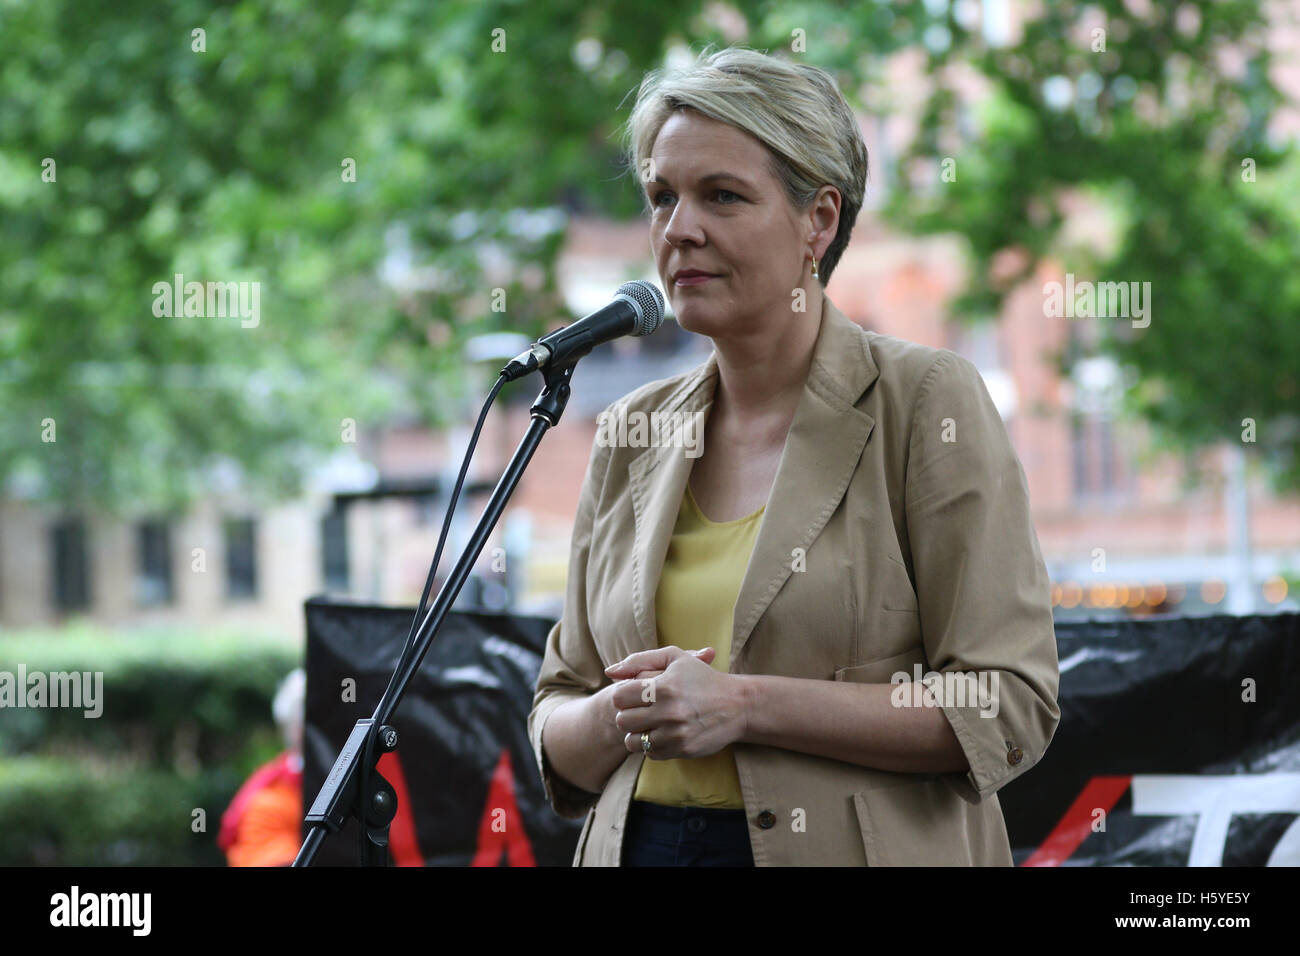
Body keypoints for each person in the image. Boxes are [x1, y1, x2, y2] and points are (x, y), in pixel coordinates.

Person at [527, 45, 1060, 866]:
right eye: (662, 196)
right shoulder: (632, 432)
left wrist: (743, 706)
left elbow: (1004, 703)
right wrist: (616, 713)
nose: (679, 229)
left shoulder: (925, 402)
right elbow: (559, 711)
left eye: (722, 196)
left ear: (819, 219)